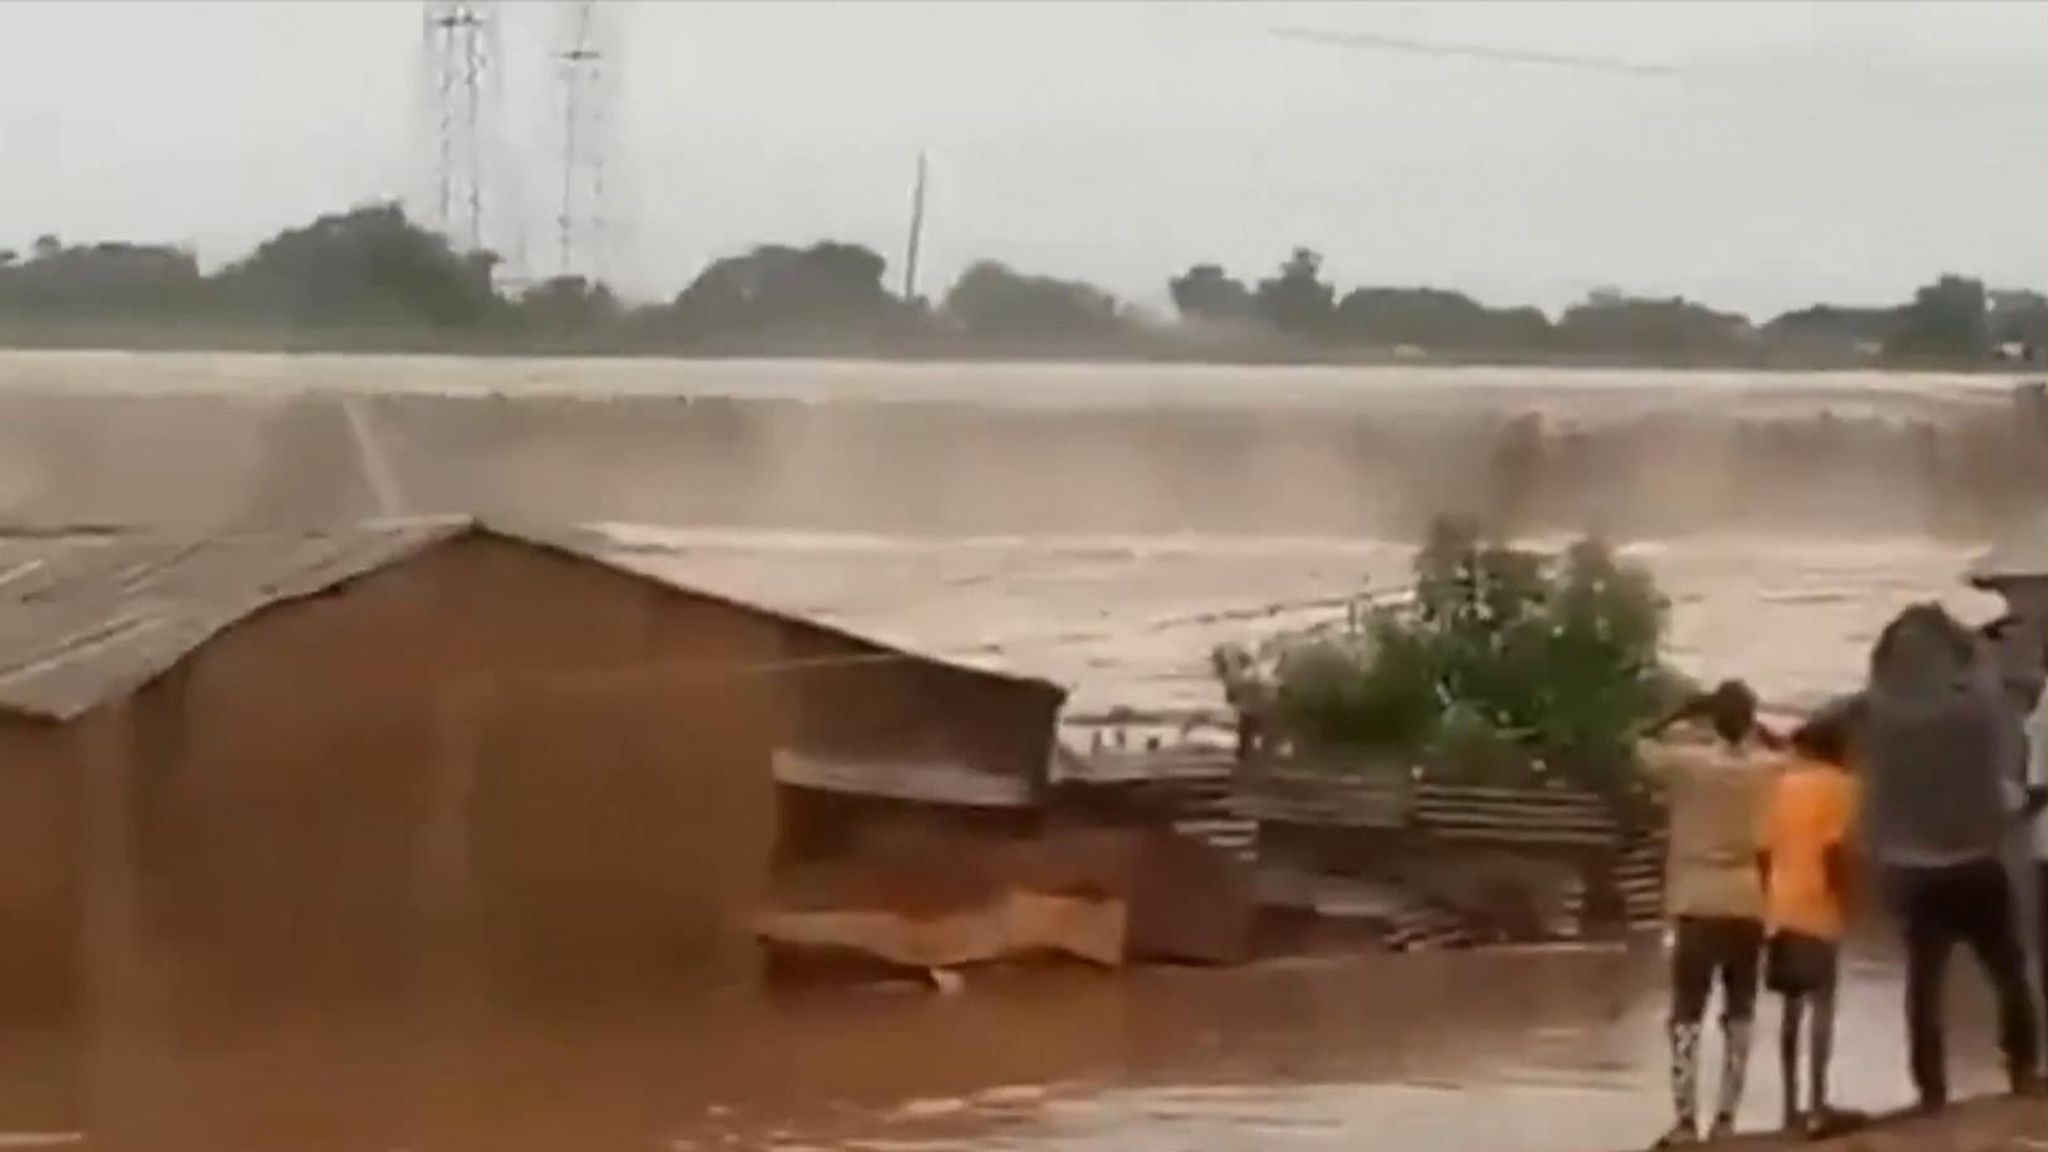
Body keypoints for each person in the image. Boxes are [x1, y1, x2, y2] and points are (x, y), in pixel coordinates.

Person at [1859, 603, 2042, 1111]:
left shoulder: (1881, 712)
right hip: (1974, 861)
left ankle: (1930, 1090)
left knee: (1924, 985)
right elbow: (1998, 687)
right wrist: (1981, 645)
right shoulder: (1975, 708)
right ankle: (2023, 1072)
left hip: (1913, 869)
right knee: (2008, 970)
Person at [1637, 679, 1774, 1146]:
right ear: (1750, 721)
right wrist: (1763, 728)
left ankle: (1685, 1120)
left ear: (1711, 720)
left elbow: (1636, 745)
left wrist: (1677, 712)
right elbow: (1796, 748)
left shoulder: (1688, 765)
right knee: (1739, 1014)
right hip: (1748, 901)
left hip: (1697, 901)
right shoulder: (1767, 769)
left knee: (1686, 1015)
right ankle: (1727, 1120)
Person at [1758, 700, 1862, 1138]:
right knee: (1823, 1006)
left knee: (1791, 1007)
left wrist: (1768, 897)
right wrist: (1847, 899)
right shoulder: (1845, 786)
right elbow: (1835, 850)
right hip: (1820, 905)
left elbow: (1763, 850)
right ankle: (1818, 1101)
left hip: (1780, 906)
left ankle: (1788, 1104)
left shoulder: (1783, 784)